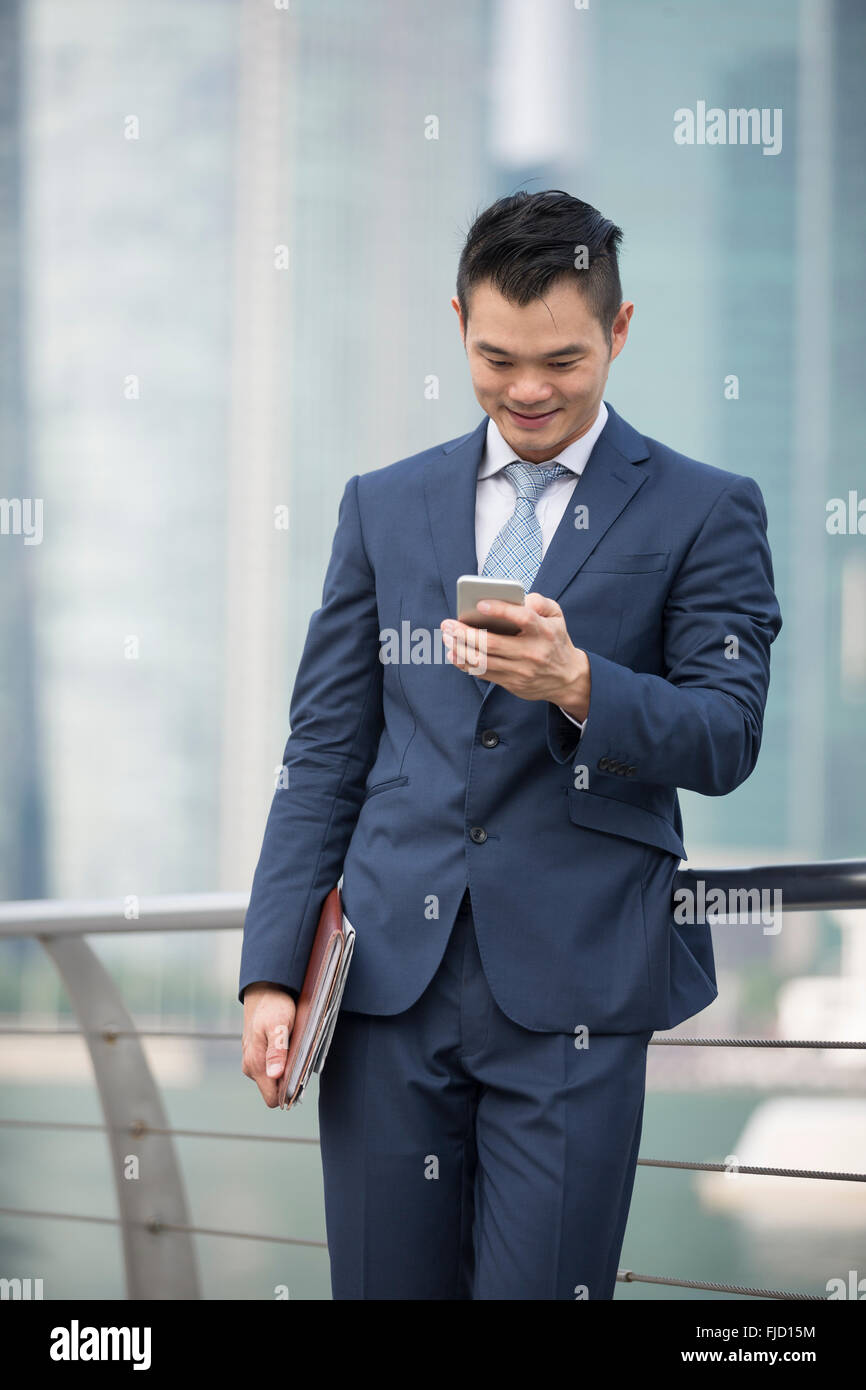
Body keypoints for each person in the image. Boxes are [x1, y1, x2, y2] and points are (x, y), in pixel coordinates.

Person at [239, 190, 782, 1300]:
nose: (528, 389)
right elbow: (324, 753)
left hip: (579, 990)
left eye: (562, 360)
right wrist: (270, 971)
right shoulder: (382, 506)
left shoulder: (704, 508)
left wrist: (581, 684)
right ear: (458, 326)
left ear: (619, 331)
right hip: (386, 989)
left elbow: (725, 736)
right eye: (496, 358)